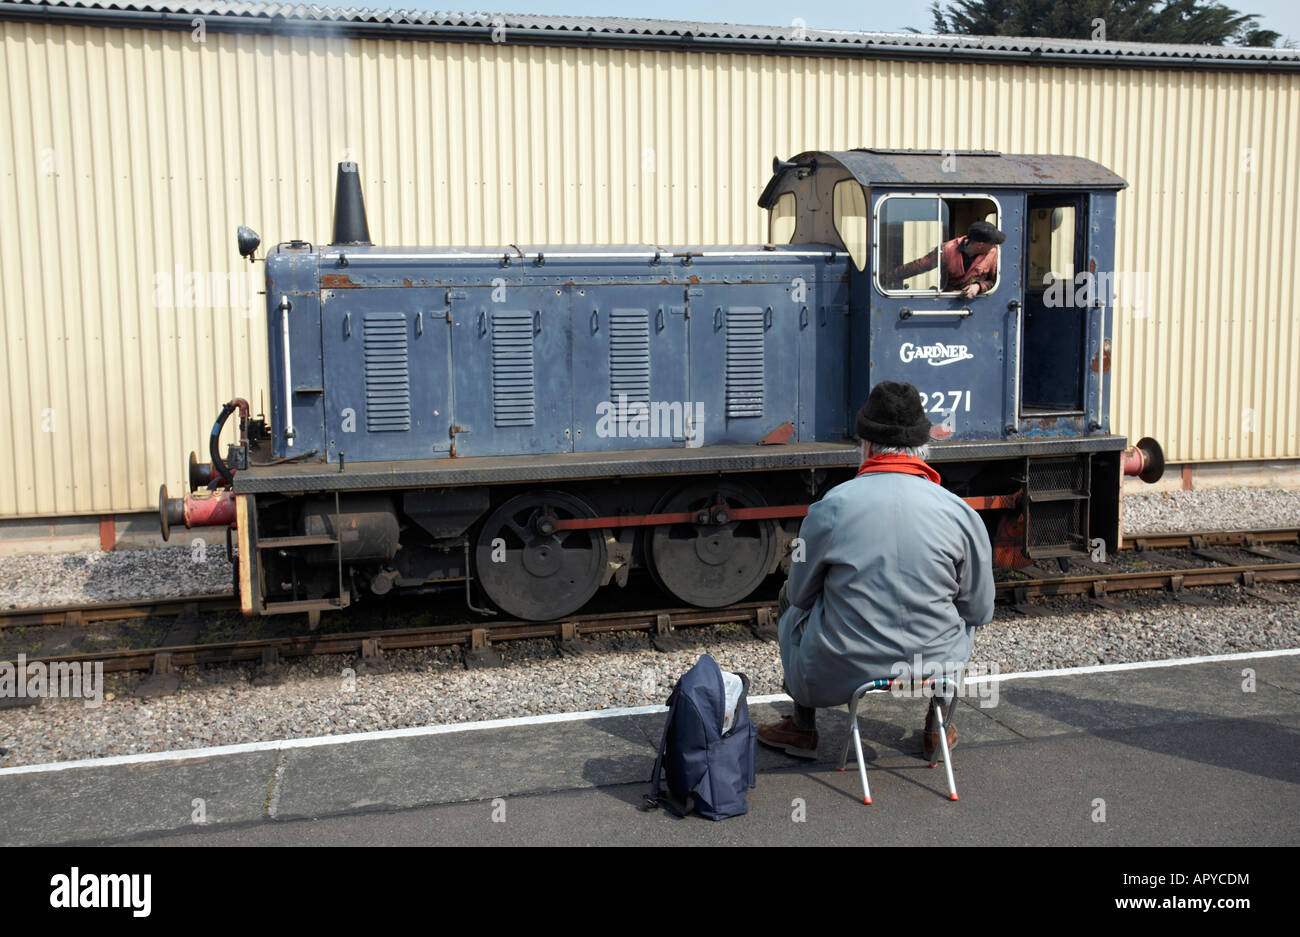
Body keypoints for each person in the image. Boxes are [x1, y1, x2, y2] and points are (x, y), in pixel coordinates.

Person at [757, 380, 995, 761]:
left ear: (866, 446)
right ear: (924, 446)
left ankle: (803, 728)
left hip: (839, 672)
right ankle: (937, 727)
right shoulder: (962, 514)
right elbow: (981, 611)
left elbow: (800, 595)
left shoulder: (830, 508)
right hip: (933, 666)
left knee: (790, 598)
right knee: (964, 614)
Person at [887, 220, 1005, 299]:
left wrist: (979, 287)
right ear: (980, 244)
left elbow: (996, 282)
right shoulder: (947, 250)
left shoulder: (993, 253)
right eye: (992, 243)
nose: (994, 246)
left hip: (976, 304)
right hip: (948, 301)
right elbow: (918, 266)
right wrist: (885, 278)